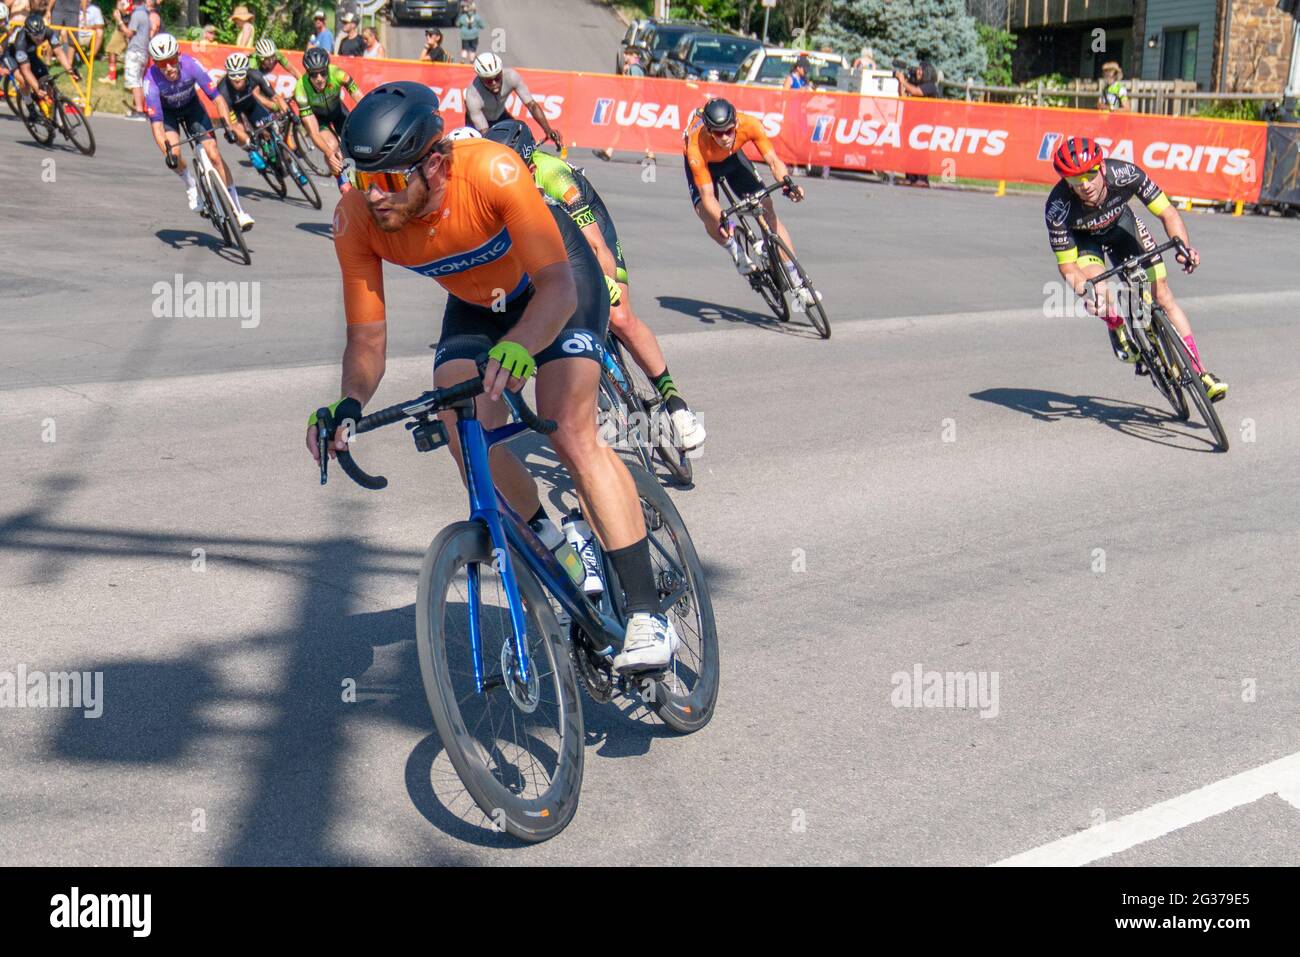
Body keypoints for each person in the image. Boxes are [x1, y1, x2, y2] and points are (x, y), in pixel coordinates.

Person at [318, 82, 684, 671]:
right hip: (477, 301)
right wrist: (348, 405)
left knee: (567, 427)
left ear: (434, 164)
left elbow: (559, 287)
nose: (374, 198)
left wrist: (520, 347)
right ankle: (560, 548)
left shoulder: (492, 171)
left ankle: (648, 614)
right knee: (460, 421)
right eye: (361, 180)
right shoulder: (357, 217)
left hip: (556, 283)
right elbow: (366, 339)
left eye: (387, 180)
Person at [488, 118, 706, 451]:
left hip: (589, 226)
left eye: (517, 174)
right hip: (544, 234)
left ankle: (675, 403)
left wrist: (606, 280)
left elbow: (596, 245)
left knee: (619, 317)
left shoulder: (556, 177)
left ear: (531, 166)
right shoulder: (497, 190)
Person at [1046, 136, 1225, 400]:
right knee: (1101, 292)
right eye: (1074, 180)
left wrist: (1183, 248)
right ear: (1065, 181)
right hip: (1086, 242)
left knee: (1162, 295)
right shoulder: (1057, 208)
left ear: (1102, 168)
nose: (1084, 185)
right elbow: (1068, 265)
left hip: (1122, 227)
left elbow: (1167, 213)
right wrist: (1085, 291)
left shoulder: (1125, 174)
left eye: (1090, 174)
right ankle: (1116, 324)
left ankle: (1201, 373)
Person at [683, 98, 817, 307]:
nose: (725, 137)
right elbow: (708, 195)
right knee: (708, 216)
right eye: (719, 133)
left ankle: (798, 284)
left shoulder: (749, 124)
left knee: (767, 208)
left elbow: (773, 161)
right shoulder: (695, 147)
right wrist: (723, 220)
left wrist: (788, 185)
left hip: (733, 159)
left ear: (735, 124)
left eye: (729, 131)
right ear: (709, 131)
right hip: (705, 166)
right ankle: (736, 252)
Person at [142, 33, 254, 230]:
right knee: (175, 155)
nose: (168, 67)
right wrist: (167, 153)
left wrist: (228, 127)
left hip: (192, 108)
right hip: (167, 115)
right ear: (156, 64)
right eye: (161, 64)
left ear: (178, 56)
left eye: (171, 60)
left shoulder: (191, 65)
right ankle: (191, 185)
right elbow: (157, 126)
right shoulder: (150, 81)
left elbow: (218, 99)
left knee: (214, 155)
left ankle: (239, 210)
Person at [216, 50, 298, 181]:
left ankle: (285, 160)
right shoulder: (222, 91)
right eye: (233, 76)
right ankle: (252, 152)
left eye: (240, 75)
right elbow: (229, 124)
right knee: (239, 133)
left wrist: (288, 112)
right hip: (233, 109)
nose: (237, 80)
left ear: (247, 72)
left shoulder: (256, 75)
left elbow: (275, 97)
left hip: (251, 105)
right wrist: (246, 143)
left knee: (268, 128)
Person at [293, 46, 360, 190]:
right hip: (318, 119)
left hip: (337, 111)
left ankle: (362, 173)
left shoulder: (337, 74)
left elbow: (360, 99)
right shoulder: (301, 88)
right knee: (332, 146)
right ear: (307, 73)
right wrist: (329, 154)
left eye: (323, 73)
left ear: (327, 69)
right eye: (314, 74)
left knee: (354, 141)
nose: (319, 79)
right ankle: (343, 182)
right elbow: (314, 133)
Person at [465, 52, 561, 148]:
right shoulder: (473, 95)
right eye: (489, 80)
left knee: (521, 138)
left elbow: (532, 105)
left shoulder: (511, 76)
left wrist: (548, 130)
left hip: (500, 115)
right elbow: (485, 133)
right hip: (479, 125)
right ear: (481, 78)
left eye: (497, 78)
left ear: (501, 72)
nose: (494, 83)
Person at [120, 0, 151, 118]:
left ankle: (139, 111)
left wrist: (119, 21)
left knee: (134, 82)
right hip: (143, 51)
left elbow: (129, 33)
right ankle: (141, 109)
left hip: (136, 51)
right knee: (139, 81)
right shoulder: (146, 14)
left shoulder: (137, 14)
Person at [44, 0, 82, 80]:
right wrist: (48, 10)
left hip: (73, 11)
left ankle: (69, 66)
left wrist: (84, 15)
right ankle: (47, 63)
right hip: (58, 9)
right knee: (53, 37)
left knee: (72, 39)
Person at [101, 0, 131, 84]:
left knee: (113, 51)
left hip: (126, 27)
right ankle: (112, 76)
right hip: (122, 27)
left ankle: (112, 77)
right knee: (112, 51)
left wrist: (119, 10)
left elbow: (127, 10)